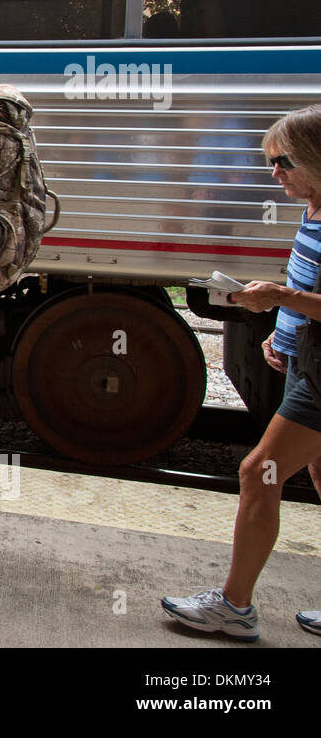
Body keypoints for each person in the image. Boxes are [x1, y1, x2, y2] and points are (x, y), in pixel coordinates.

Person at [162, 105, 321, 641]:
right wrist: (286, 327)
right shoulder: (314, 209)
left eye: (284, 162)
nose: (274, 173)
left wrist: (280, 298)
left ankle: (234, 605)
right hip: (308, 360)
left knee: (259, 473)